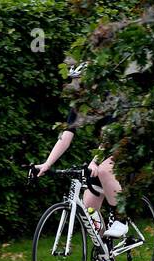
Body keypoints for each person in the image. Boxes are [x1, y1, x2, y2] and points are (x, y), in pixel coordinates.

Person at [34, 63, 128, 249]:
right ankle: (103, 252)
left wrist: (95, 161)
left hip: (123, 145)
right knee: (89, 211)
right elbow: (66, 137)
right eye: (74, 80)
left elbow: (110, 135)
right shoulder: (80, 105)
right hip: (103, 151)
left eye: (79, 80)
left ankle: (121, 220)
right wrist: (47, 164)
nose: (76, 85)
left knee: (103, 169)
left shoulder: (108, 97)